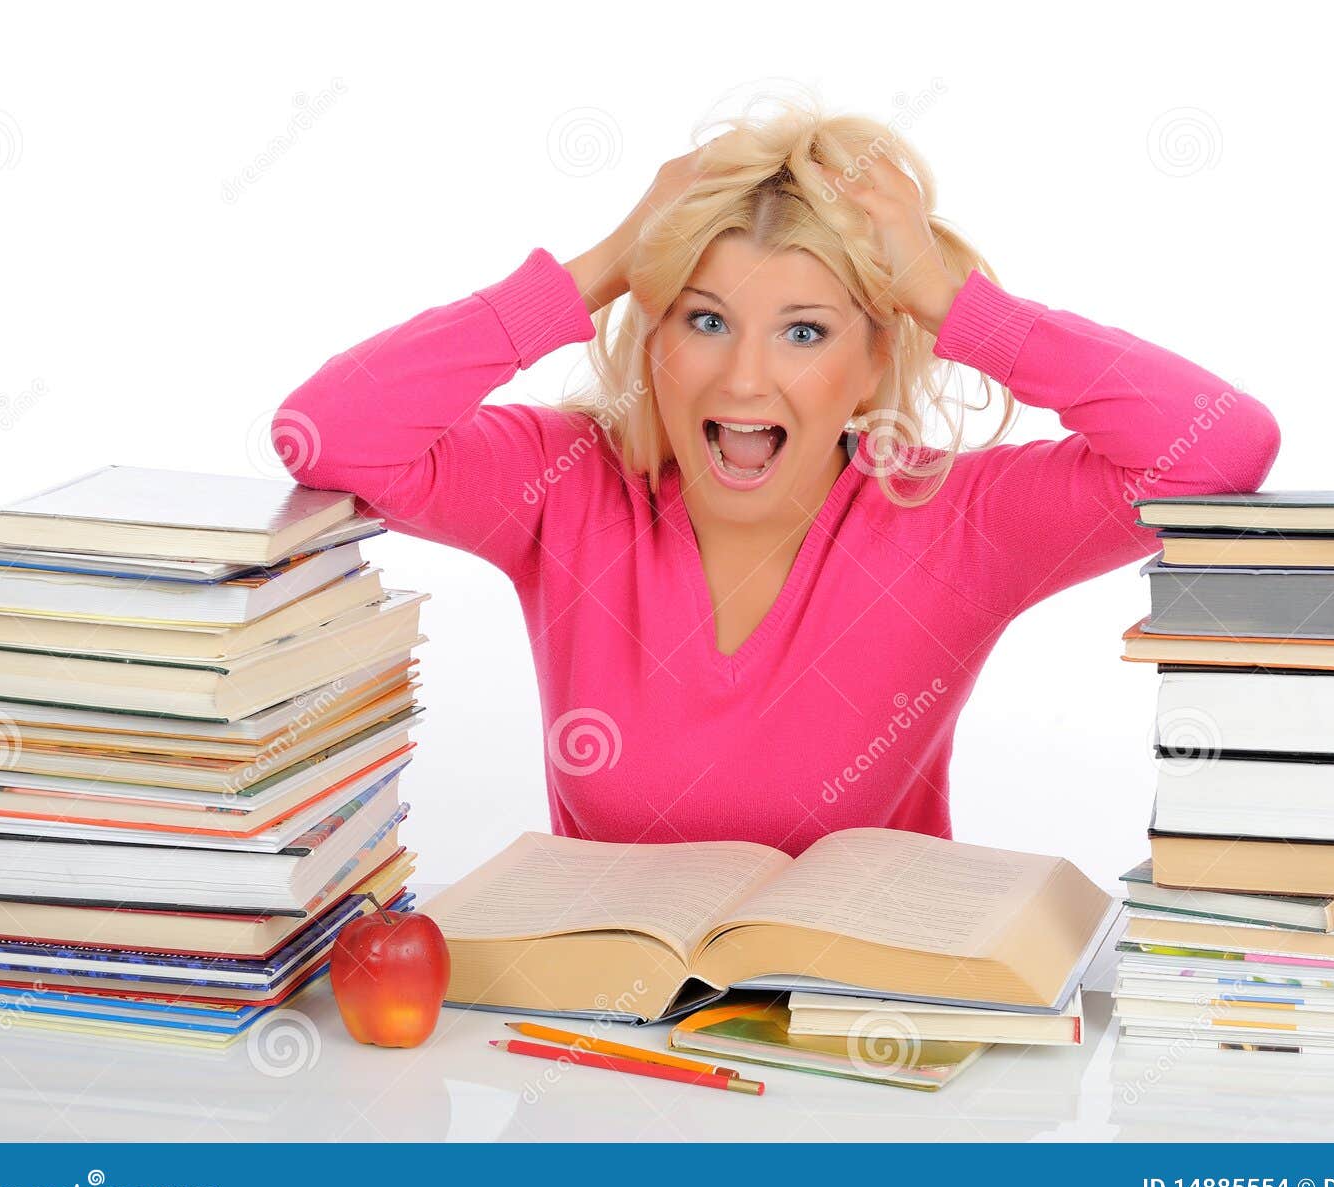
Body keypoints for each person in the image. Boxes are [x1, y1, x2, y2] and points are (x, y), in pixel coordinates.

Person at [274, 101, 1280, 857]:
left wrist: (943, 295)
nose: (743, 376)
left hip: (864, 1070)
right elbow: (330, 432)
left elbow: (1216, 448)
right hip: (599, 1068)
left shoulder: (951, 519)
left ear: (875, 361)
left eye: (805, 331)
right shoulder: (567, 483)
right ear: (653, 333)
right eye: (704, 319)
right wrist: (605, 262)